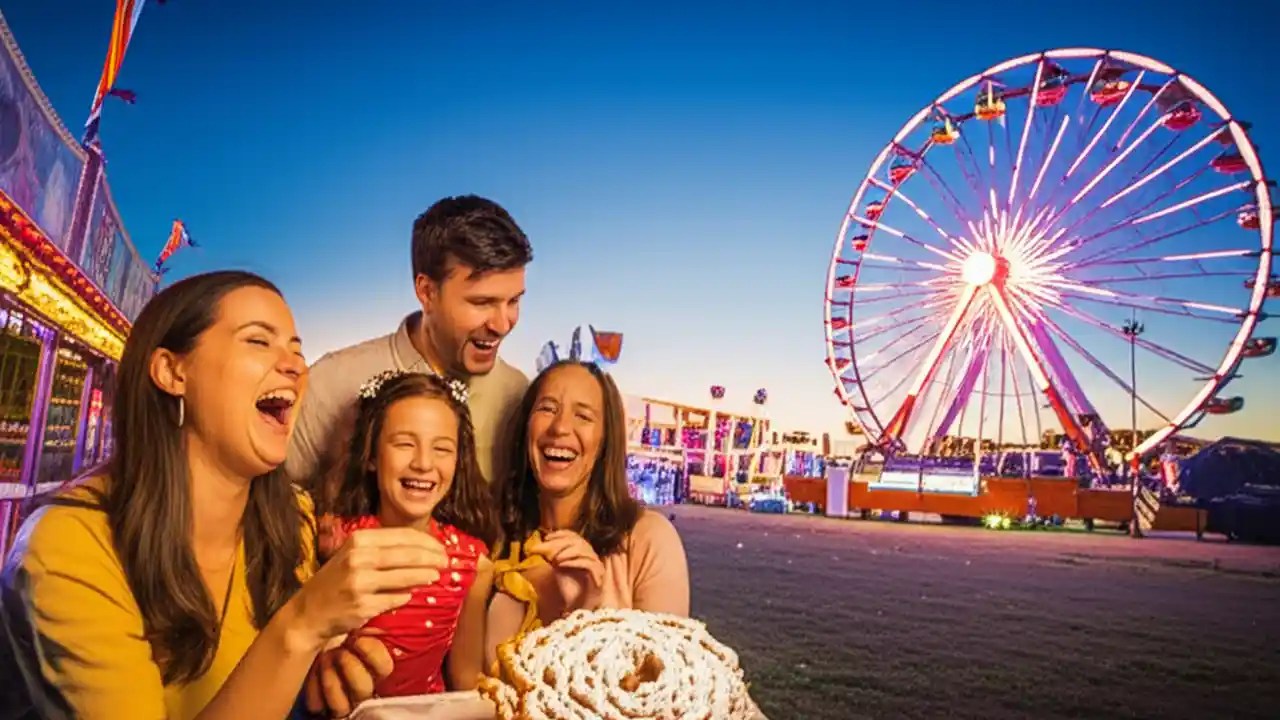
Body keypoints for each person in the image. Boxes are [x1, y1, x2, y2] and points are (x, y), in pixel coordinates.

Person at [0, 271, 446, 720]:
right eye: (258, 341)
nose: (295, 365)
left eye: (296, 348)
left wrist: (314, 668)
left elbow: (269, 678)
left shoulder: (294, 520)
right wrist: (302, 625)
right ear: (173, 371)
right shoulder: (69, 548)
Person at [285, 195, 532, 502]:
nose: (502, 323)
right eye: (482, 302)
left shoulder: (519, 397)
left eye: (514, 301)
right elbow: (270, 507)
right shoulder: (332, 383)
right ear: (427, 291)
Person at [485, 361, 690, 665]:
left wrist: (591, 607)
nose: (560, 428)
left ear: (605, 440)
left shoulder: (648, 539)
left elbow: (660, 683)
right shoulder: (492, 536)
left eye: (583, 416)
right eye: (547, 408)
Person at [317, 370, 497, 699]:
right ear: (371, 455)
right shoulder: (342, 541)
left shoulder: (473, 563)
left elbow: (465, 676)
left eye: (442, 449)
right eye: (404, 444)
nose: (423, 463)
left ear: (459, 460)